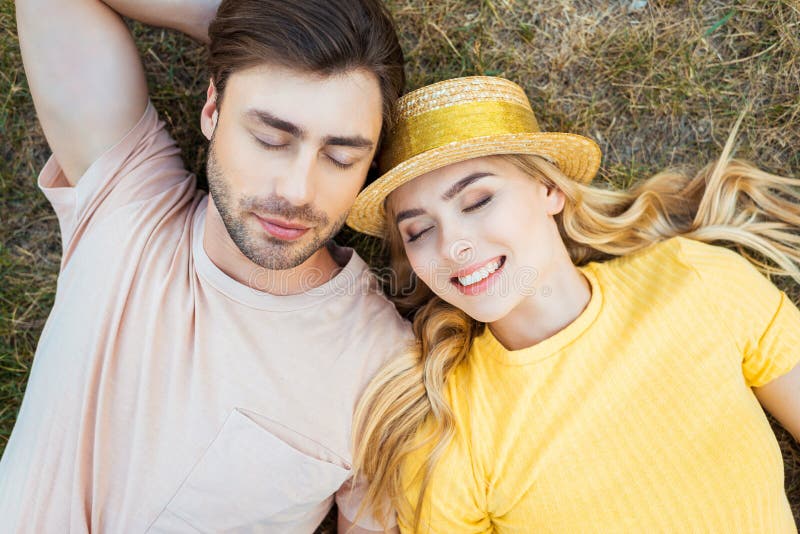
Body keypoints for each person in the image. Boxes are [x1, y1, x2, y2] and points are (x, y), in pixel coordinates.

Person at [2, 0, 412, 531]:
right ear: (213, 110)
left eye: (340, 158)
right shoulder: (129, 201)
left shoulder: (384, 368)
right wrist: (245, 25)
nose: (297, 190)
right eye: (270, 139)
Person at [347, 76, 800, 532]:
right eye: (419, 231)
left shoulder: (697, 280)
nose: (451, 246)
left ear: (549, 189)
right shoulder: (446, 436)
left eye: (477, 201)